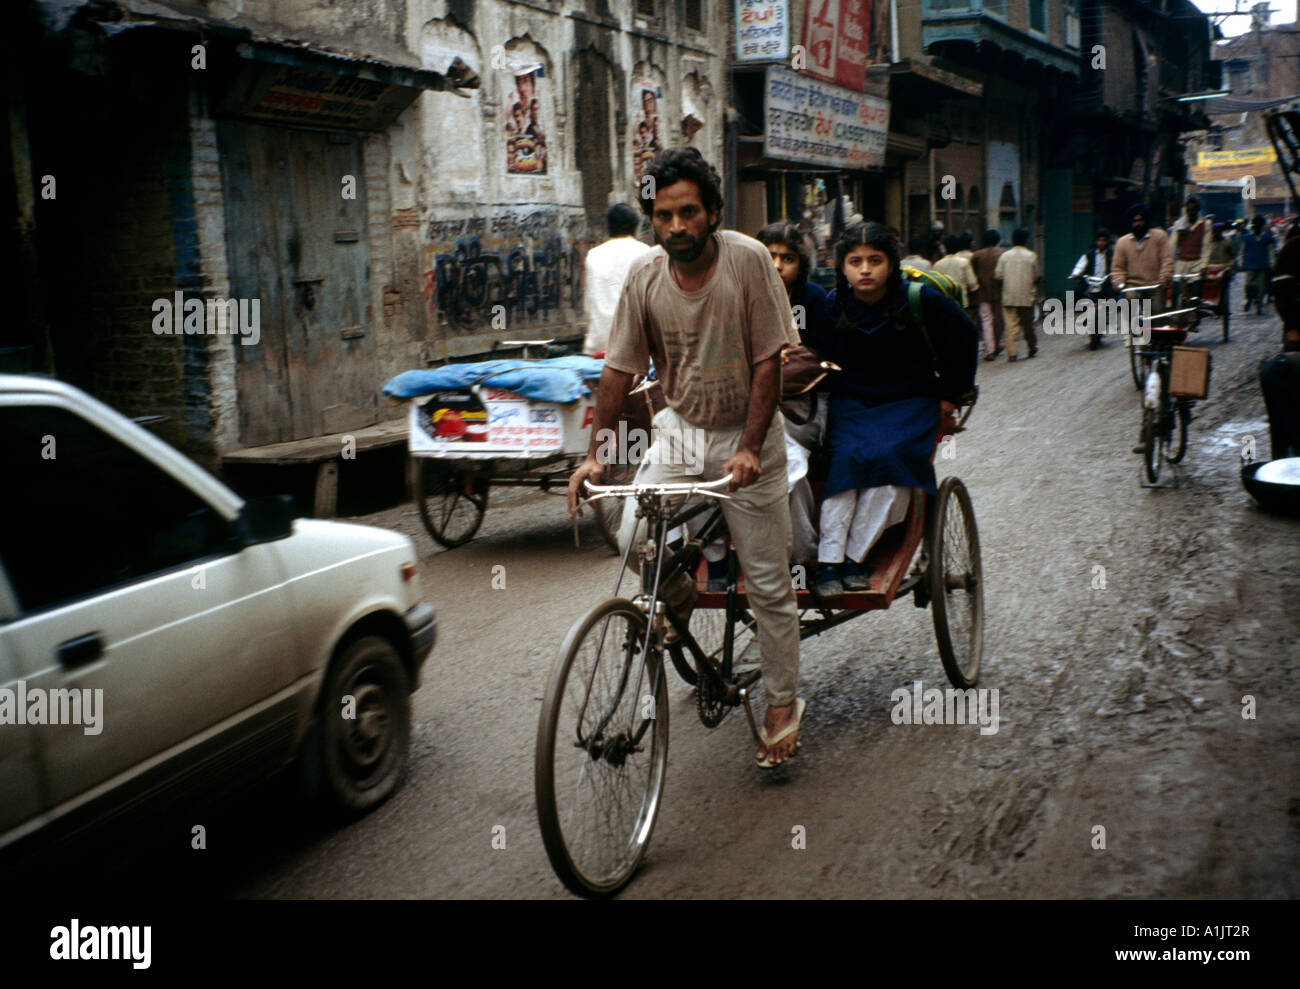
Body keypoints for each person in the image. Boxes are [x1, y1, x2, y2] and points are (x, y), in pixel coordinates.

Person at [567, 148, 805, 768]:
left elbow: (767, 363)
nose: (677, 226)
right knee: (630, 534)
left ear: (713, 213)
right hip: (682, 433)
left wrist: (751, 447)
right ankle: (675, 597)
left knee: (770, 585)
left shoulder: (749, 261)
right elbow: (618, 369)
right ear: (652, 220)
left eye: (689, 212)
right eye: (664, 215)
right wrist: (596, 457)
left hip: (748, 437)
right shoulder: (646, 277)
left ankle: (782, 705)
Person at [801, 222, 977, 598]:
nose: (865, 269)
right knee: (845, 463)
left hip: (911, 403)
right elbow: (816, 355)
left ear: (891, 264)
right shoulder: (832, 306)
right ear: (842, 267)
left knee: (894, 464)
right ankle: (829, 562)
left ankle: (855, 558)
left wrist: (951, 393)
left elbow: (965, 337)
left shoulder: (919, 300)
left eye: (875, 260)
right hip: (853, 403)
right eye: (855, 261)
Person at [756, 221, 831, 570]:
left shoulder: (814, 300)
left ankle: (802, 555)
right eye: (769, 256)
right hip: (749, 405)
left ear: (801, 264)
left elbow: (827, 359)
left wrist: (795, 355)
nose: (776, 266)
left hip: (802, 408)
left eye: (787, 258)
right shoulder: (743, 297)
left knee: (789, 464)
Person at [581, 204, 653, 356]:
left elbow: (588, 305)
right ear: (635, 226)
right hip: (635, 346)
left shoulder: (593, 255)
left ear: (609, 227)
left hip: (598, 344)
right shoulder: (645, 253)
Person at [1112, 202, 1173, 320]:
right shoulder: (1122, 242)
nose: (1138, 224)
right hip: (1133, 285)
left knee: (1158, 315)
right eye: (1134, 221)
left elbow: (1167, 260)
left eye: (1140, 220)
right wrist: (1119, 283)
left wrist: (1164, 279)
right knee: (1130, 300)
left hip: (1155, 284)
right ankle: (1133, 331)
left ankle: (1156, 335)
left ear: (1146, 220)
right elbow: (1118, 267)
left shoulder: (1160, 236)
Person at [995, 228, 1040, 361]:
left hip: (1009, 296)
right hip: (1026, 296)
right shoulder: (1032, 256)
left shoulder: (1004, 256)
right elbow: (1037, 276)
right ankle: (1032, 346)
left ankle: (1012, 353)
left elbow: (998, 275)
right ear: (1026, 240)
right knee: (1028, 325)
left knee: (1010, 326)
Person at [1070, 228, 1115, 347]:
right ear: (1096, 241)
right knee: (1077, 293)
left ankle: (1107, 319)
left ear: (1107, 242)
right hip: (1090, 283)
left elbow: (1117, 267)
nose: (1101, 243)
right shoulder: (1088, 255)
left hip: (1104, 283)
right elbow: (1080, 266)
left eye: (1104, 240)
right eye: (1099, 240)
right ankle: (1084, 316)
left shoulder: (1112, 255)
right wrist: (1075, 274)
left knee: (1112, 297)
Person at [1171, 196, 1213, 316]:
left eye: (1193, 210)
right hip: (1181, 262)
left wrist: (1204, 265)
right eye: (1189, 210)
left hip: (1197, 262)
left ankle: (1194, 315)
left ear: (1197, 210)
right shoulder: (1179, 224)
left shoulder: (1205, 224)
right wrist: (1170, 263)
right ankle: (1174, 314)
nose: (1191, 213)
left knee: (1196, 291)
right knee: (1175, 289)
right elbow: (1172, 245)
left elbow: (1206, 247)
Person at [970, 229, 1005, 359]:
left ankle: (990, 350)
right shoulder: (1003, 253)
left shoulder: (977, 255)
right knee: (998, 320)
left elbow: (973, 273)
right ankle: (996, 345)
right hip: (999, 291)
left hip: (982, 292)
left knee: (986, 320)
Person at [934, 234, 980, 317]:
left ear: (945, 248)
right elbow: (973, 284)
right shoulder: (964, 262)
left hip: (944, 303)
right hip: (962, 302)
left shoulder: (937, 265)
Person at [1241, 215, 1276, 315]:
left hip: (1262, 265)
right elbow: (1242, 251)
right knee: (1248, 285)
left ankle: (1259, 306)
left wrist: (1272, 263)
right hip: (1249, 264)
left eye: (1259, 226)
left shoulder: (1266, 238)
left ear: (1262, 226)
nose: (1257, 227)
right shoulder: (1246, 237)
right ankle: (1249, 299)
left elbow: (1271, 250)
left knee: (1261, 288)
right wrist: (1241, 262)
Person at [1207, 221, 1238, 316]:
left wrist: (1228, 266)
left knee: (1224, 290)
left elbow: (1233, 257)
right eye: (1214, 231)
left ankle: (1224, 308)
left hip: (1224, 269)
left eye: (1217, 231)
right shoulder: (1208, 242)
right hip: (1210, 269)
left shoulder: (1228, 241)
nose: (1215, 233)